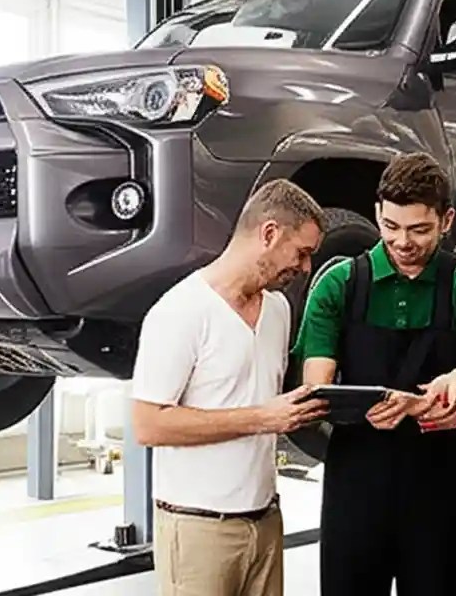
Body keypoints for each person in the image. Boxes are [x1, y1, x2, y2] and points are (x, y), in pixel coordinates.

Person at [292, 152, 456, 596]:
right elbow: (316, 384)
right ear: (377, 212)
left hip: (439, 492)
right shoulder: (340, 284)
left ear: (446, 220)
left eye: (419, 229)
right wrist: (349, 402)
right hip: (356, 489)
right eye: (391, 226)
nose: (403, 241)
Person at [130, 178, 332, 596]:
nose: (306, 267)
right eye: (302, 252)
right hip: (199, 531)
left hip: (266, 523)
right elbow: (149, 425)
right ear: (269, 233)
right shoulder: (180, 311)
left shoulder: (278, 310)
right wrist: (263, 418)